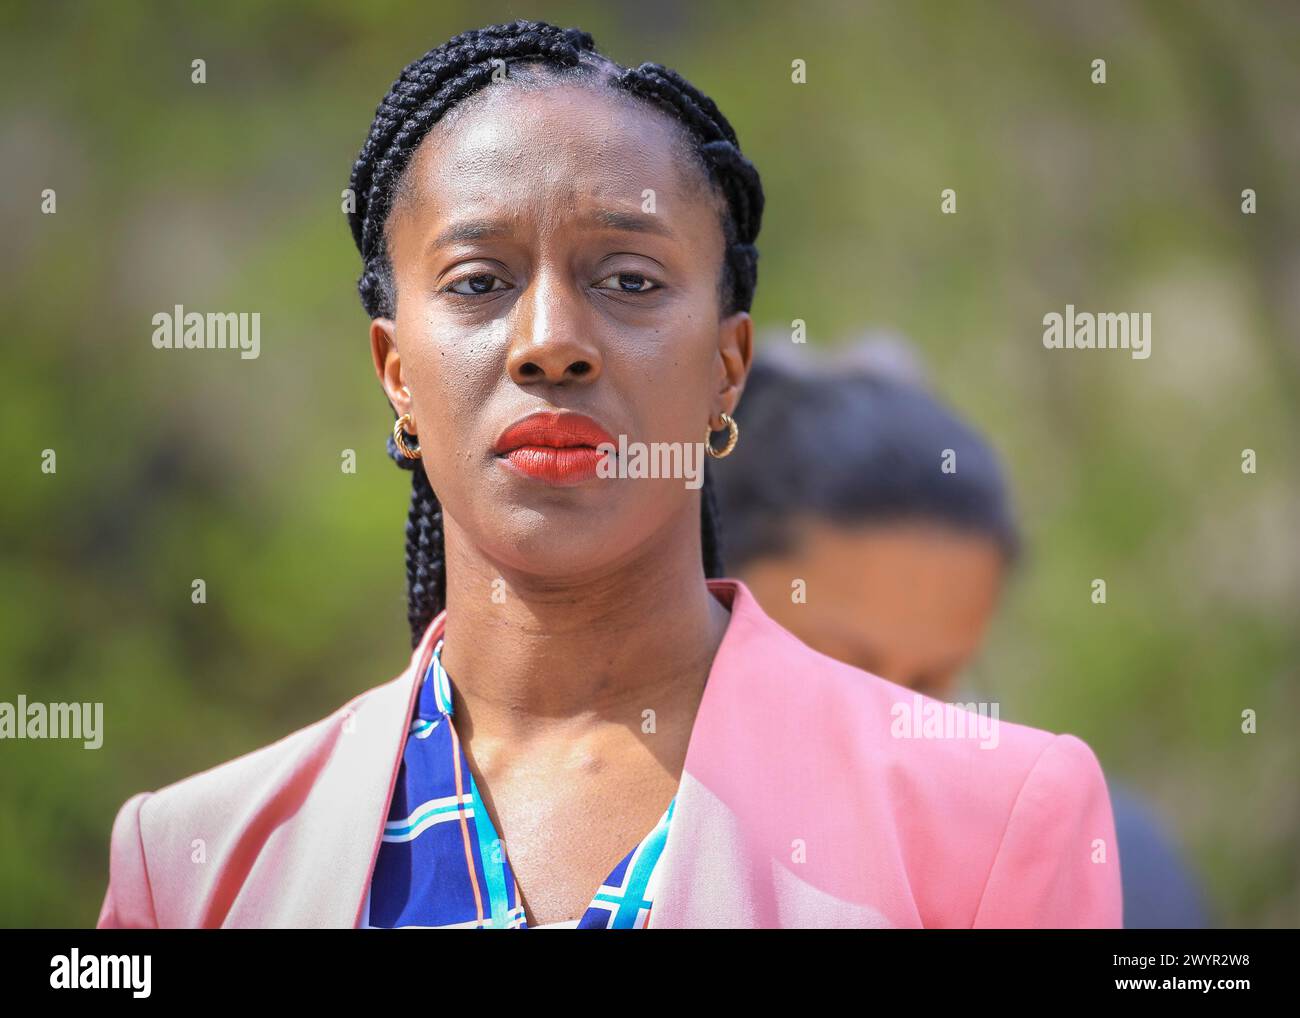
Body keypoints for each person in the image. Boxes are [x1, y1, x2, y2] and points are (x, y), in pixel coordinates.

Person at [95, 19, 1120, 929]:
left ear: (729, 367)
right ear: (395, 372)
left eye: (628, 279)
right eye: (478, 281)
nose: (551, 343)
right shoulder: (194, 866)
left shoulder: (991, 819)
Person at [715, 341, 1210, 927]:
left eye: (931, 682)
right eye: (838, 670)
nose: (889, 733)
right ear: (712, 591)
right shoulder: (626, 836)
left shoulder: (1094, 866)